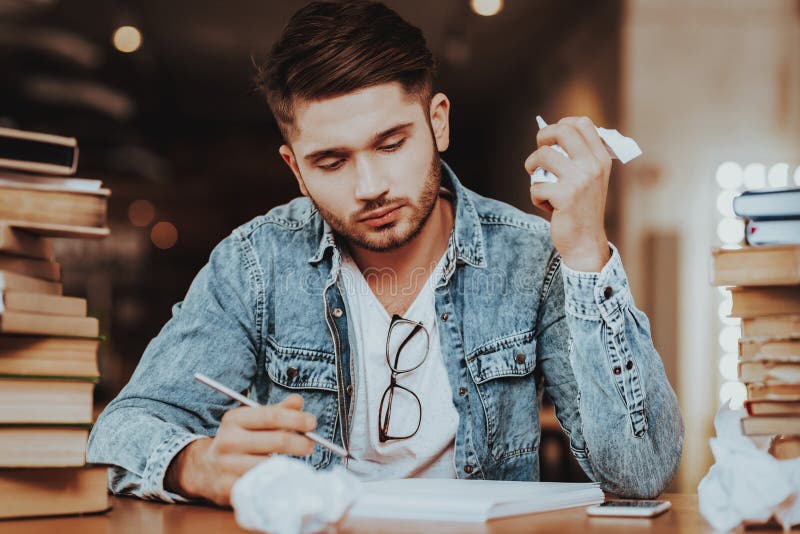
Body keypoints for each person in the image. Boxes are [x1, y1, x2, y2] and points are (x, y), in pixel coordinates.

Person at [88, 0, 683, 507]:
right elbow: (117, 432)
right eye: (332, 160)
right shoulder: (255, 264)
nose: (369, 185)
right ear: (295, 169)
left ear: (438, 122)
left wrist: (585, 252)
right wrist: (198, 465)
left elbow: (640, 473)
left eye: (391, 143)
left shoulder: (531, 256)